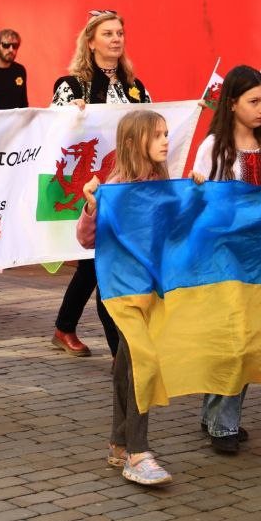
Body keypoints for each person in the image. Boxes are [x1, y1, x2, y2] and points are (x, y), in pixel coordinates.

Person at [189, 65, 261, 453]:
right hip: (223, 258)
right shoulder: (213, 147)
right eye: (254, 101)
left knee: (247, 338)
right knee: (233, 339)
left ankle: (215, 415)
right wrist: (199, 190)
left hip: (260, 256)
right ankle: (223, 424)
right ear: (232, 103)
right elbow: (199, 204)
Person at [78, 110, 174, 486]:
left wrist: (196, 193)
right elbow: (86, 239)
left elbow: (178, 228)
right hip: (119, 292)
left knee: (127, 364)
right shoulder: (115, 188)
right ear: (134, 143)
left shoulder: (163, 185)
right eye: (158, 135)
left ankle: (119, 444)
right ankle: (138, 452)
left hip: (150, 291)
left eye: (166, 133)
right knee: (144, 361)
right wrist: (91, 206)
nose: (166, 141)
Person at [49, 11, 150, 359]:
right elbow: (51, 130)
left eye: (120, 32)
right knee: (95, 260)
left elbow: (152, 125)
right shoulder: (71, 85)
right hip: (89, 186)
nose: (116, 39)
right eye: (108, 33)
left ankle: (66, 327)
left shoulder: (136, 87)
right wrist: (70, 113)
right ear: (90, 41)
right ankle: (119, 353)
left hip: (127, 185)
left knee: (95, 262)